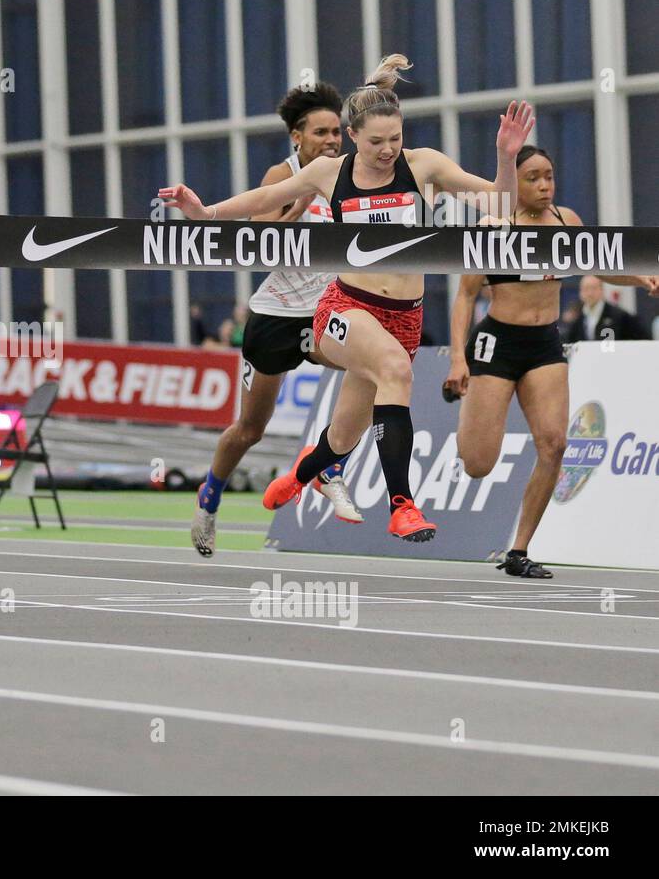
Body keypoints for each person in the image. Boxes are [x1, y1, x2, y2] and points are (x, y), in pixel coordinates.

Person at [162, 54, 535, 542]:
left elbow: (502, 206)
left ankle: (299, 477)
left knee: (342, 437)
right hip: (344, 309)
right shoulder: (329, 174)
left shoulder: (424, 165)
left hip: (404, 318)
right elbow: (262, 201)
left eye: (395, 140)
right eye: (376, 142)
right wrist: (205, 212)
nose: (387, 151)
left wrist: (507, 158)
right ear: (353, 135)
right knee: (397, 373)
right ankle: (402, 506)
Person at [445, 145, 659, 577]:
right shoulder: (495, 228)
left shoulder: (566, 221)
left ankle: (518, 551)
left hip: (544, 343)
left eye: (549, 176)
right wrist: (457, 359)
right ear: (514, 183)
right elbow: (466, 295)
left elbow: (596, 264)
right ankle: (469, 426)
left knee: (554, 443)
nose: (544, 185)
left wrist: (639, 277)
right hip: (497, 343)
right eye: (533, 178)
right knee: (478, 463)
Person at [189, 81, 360, 558]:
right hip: (276, 313)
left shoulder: (351, 174)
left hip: (327, 310)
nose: (332, 141)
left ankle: (327, 463)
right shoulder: (280, 175)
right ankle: (209, 497)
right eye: (321, 133)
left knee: (374, 368)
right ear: (297, 138)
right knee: (250, 429)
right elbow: (259, 245)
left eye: (337, 133)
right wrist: (300, 203)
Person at [563, 275, 651, 342]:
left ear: (602, 290)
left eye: (593, 288)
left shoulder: (620, 316)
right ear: (580, 292)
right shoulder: (578, 320)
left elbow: (642, 338)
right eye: (586, 289)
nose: (590, 293)